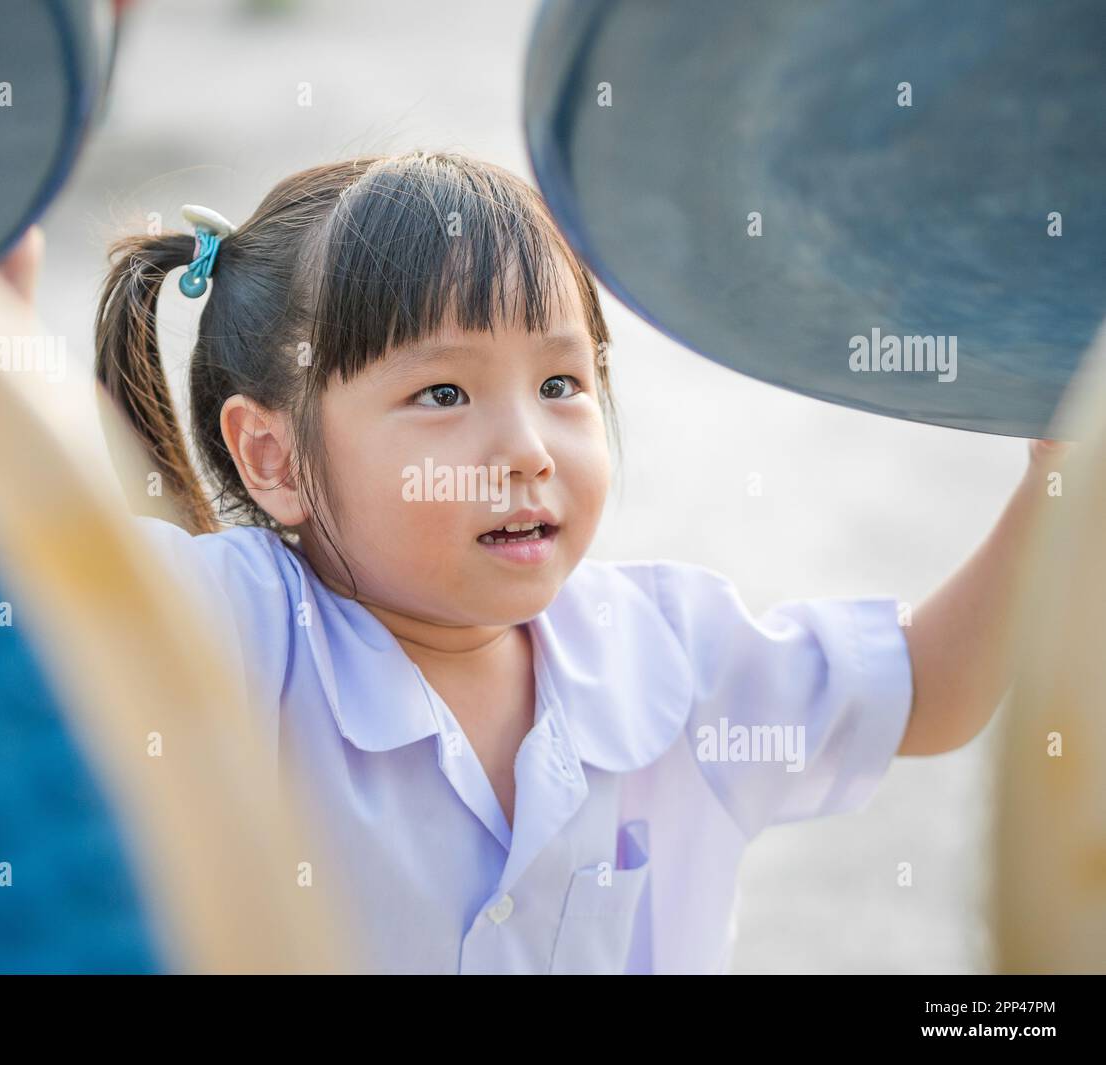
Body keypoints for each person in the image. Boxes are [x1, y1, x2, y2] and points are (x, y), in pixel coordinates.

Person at [89, 149, 1067, 974]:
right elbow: (12, 584)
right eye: (442, 394)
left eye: (561, 381)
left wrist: (1053, 483)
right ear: (276, 458)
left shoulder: (669, 656)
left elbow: (930, 687)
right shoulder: (243, 631)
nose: (528, 448)